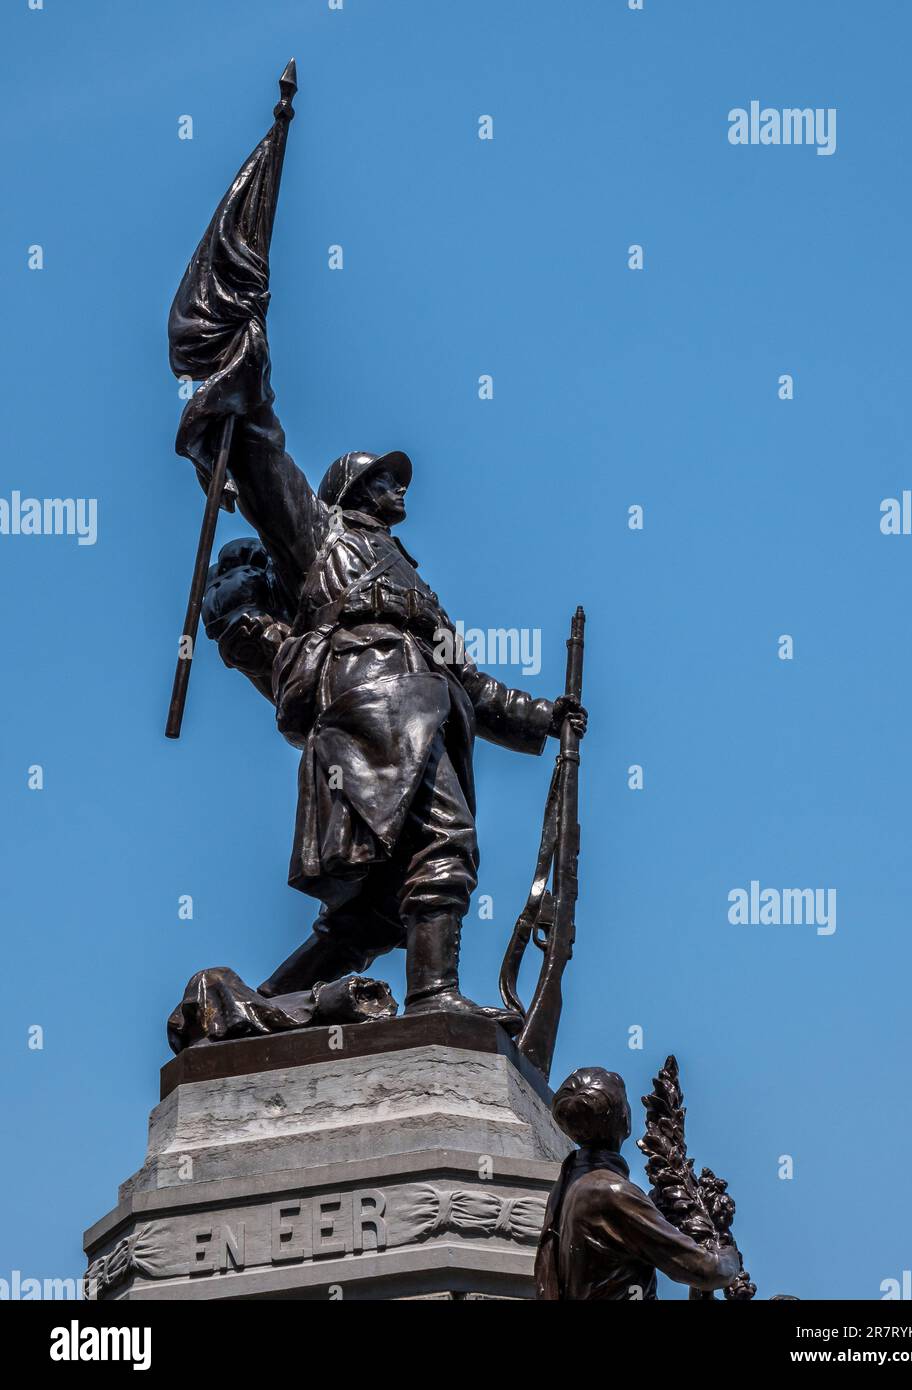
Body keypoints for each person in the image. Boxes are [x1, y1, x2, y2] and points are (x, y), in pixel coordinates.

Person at [215, 400, 586, 1025]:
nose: (400, 486)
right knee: (446, 841)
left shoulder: (414, 581)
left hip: (422, 714)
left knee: (374, 915)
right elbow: (265, 461)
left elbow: (466, 679)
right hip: (372, 715)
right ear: (352, 491)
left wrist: (544, 716)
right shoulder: (322, 541)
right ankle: (432, 998)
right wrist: (242, 377)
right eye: (385, 479)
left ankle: (260, 1007)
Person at [535, 1067, 741, 1300]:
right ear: (624, 1118)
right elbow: (706, 1271)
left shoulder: (571, 1182)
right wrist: (728, 1254)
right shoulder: (611, 1193)